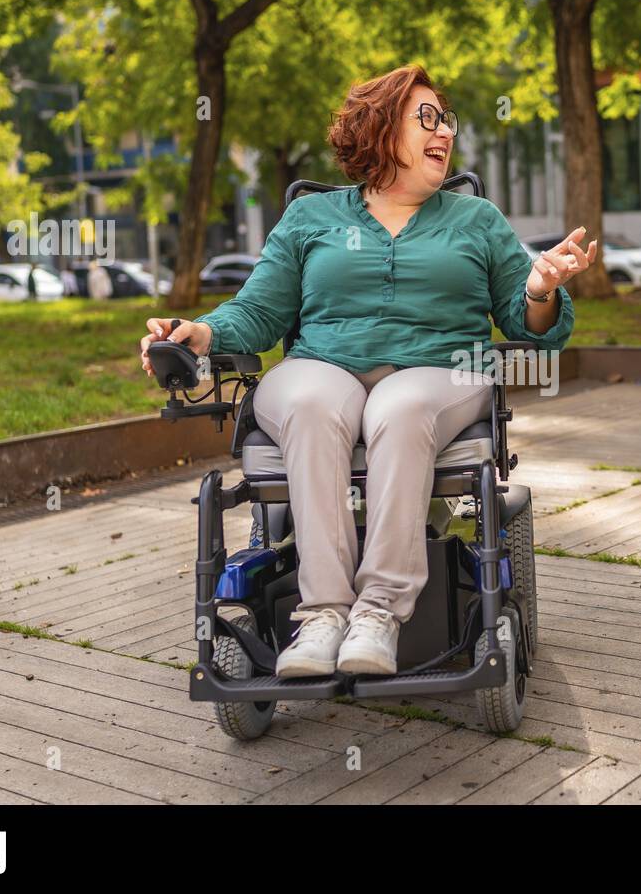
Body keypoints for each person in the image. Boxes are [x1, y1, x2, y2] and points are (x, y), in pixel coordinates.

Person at [139, 66, 592, 677]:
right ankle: (324, 614)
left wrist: (540, 287)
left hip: (439, 371)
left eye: (446, 120)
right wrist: (201, 331)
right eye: (426, 118)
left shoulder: (476, 220)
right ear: (381, 129)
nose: (444, 132)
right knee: (311, 402)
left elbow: (530, 321)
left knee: (398, 407)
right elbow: (258, 311)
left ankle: (379, 610)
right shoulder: (311, 219)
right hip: (322, 366)